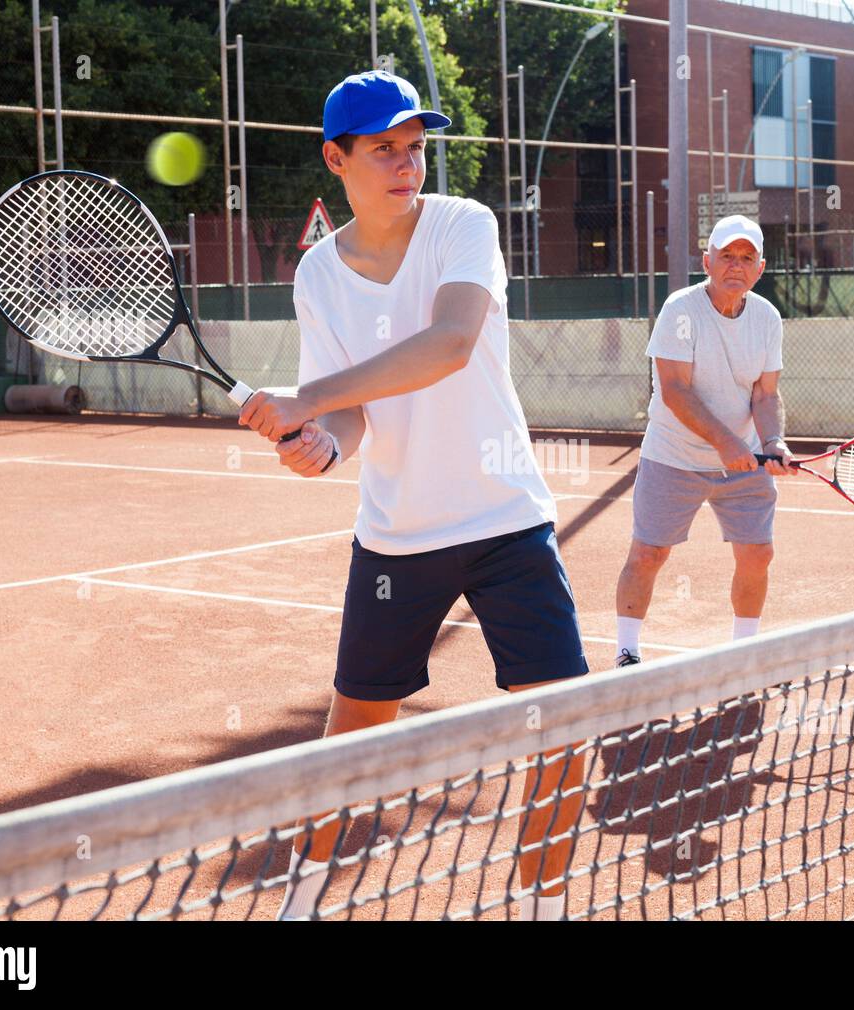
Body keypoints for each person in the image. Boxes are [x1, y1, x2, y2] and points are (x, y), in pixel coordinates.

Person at [238, 69, 588, 921]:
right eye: (384, 148)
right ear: (337, 158)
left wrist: (307, 403)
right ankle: (302, 903)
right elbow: (351, 415)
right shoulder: (318, 276)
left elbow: (451, 343)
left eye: (415, 147)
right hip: (396, 541)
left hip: (508, 522)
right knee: (354, 734)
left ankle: (539, 906)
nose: (406, 163)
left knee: (567, 732)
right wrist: (321, 445)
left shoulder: (464, 226)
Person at [614, 215, 795, 667]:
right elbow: (674, 390)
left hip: (744, 460)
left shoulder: (768, 318)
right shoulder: (681, 310)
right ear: (707, 261)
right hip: (674, 456)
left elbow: (766, 393)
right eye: (727, 255)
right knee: (649, 553)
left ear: (760, 268)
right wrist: (727, 443)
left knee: (758, 552)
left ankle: (743, 651)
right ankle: (626, 652)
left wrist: (771, 440)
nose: (736, 265)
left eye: (746, 258)